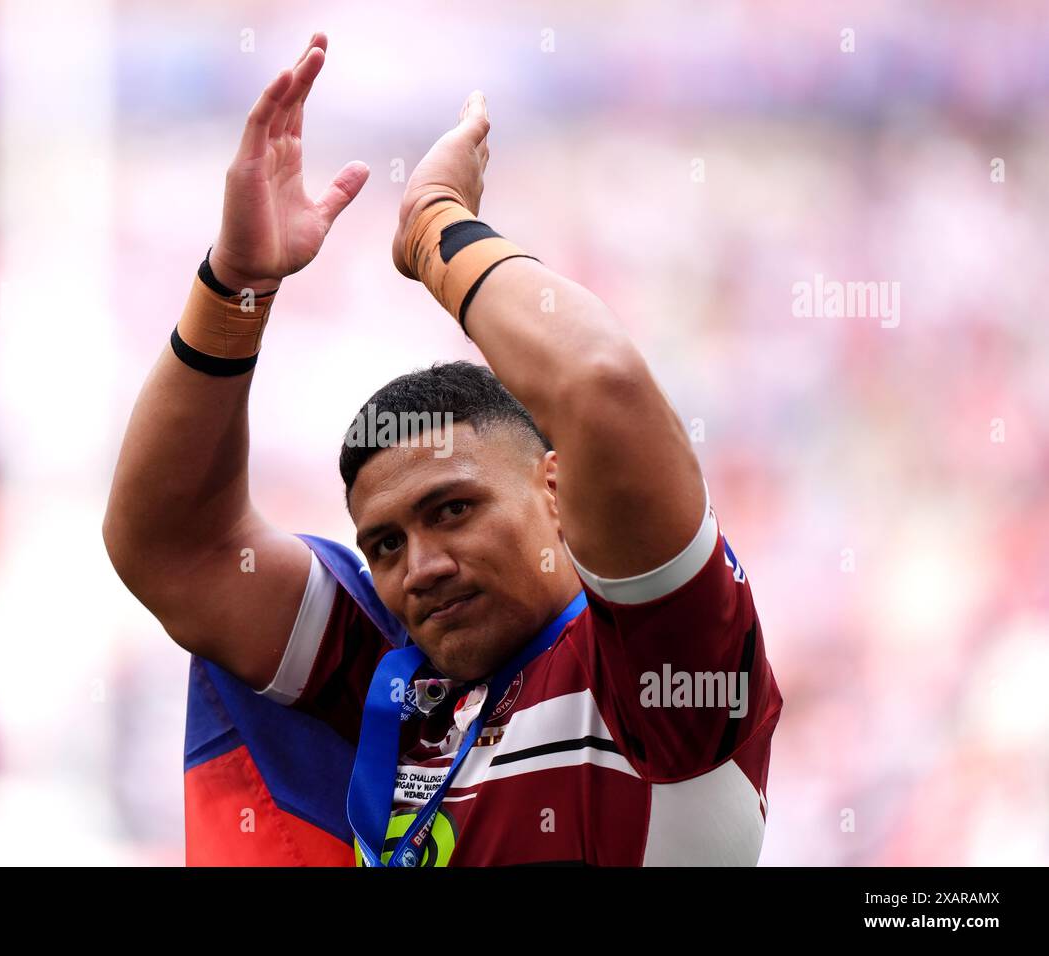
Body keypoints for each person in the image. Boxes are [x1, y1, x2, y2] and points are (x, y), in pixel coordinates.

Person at [103, 32, 782, 866]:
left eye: (453, 509)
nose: (419, 567)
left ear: (557, 490)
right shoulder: (399, 672)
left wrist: (434, 227)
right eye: (383, 544)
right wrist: (235, 286)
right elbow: (171, 549)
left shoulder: (662, 672)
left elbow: (600, 389)